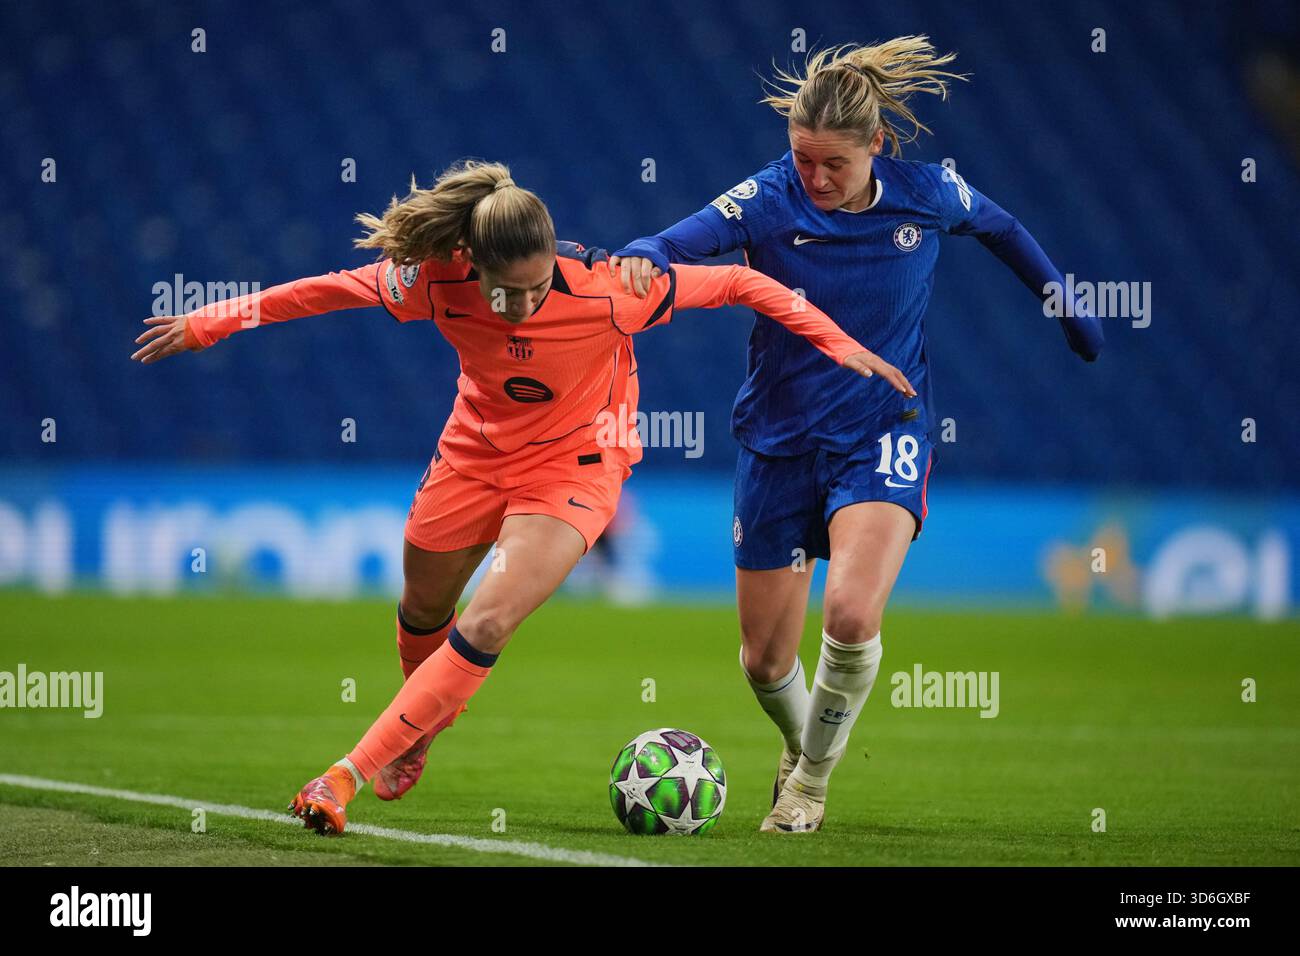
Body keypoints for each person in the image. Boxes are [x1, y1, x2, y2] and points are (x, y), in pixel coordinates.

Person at [131, 159, 912, 835]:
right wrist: (212, 321)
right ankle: (421, 725)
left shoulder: (611, 290)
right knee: (421, 612)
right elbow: (330, 291)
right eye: (507, 293)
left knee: (489, 618)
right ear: (468, 262)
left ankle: (342, 776)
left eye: (537, 288)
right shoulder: (431, 281)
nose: (525, 306)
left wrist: (839, 344)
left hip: (575, 466)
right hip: (471, 452)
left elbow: (743, 280)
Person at [610, 36, 1103, 832]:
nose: (815, 178)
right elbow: (676, 240)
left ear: (877, 144)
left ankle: (808, 788)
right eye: (802, 159)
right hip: (777, 442)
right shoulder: (771, 198)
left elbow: (1005, 228)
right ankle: (804, 747)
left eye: (832, 163)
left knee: (848, 616)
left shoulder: (929, 192)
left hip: (883, 431)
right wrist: (641, 254)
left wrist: (1066, 307)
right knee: (765, 660)